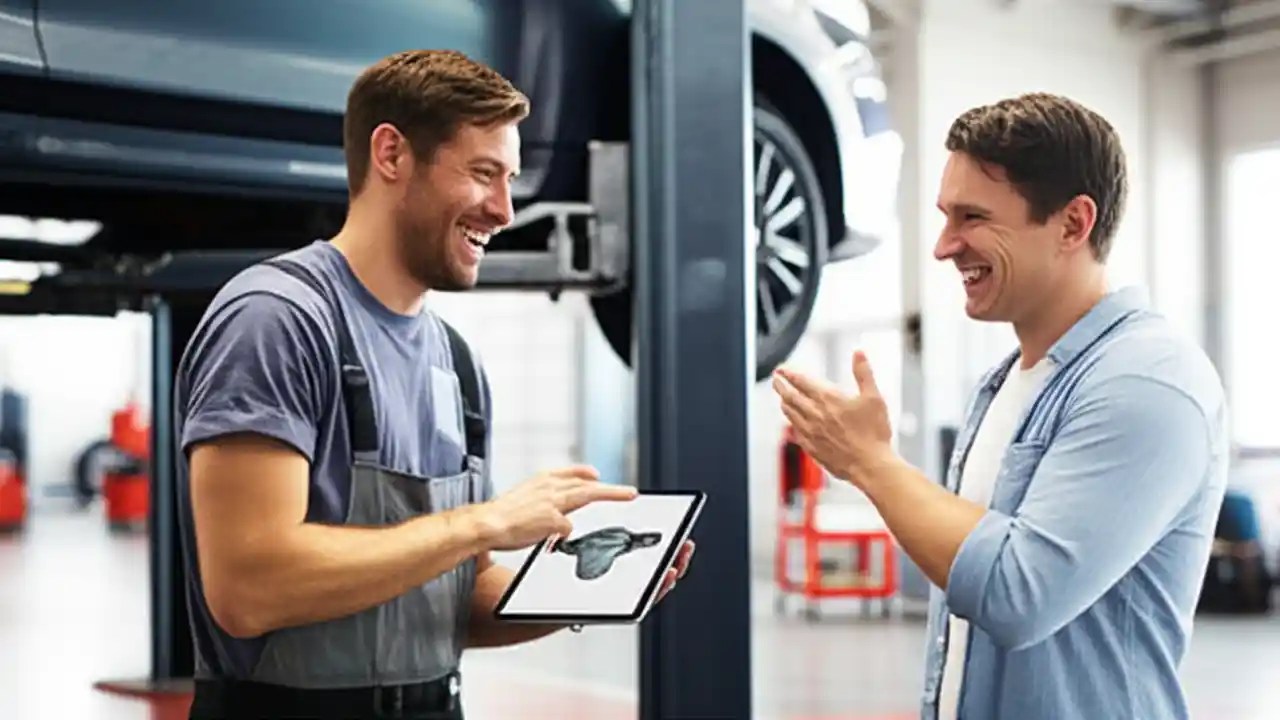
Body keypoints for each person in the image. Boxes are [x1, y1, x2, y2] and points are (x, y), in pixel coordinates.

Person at [174, 49, 694, 720]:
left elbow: (451, 600)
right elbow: (248, 590)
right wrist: (484, 521)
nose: (505, 210)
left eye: (510, 179)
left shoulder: (457, 366)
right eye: (483, 174)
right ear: (390, 154)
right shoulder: (277, 322)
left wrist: (591, 591)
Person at [772, 92, 1228, 720]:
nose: (943, 246)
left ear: (1073, 223)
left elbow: (1019, 594)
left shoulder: (1148, 381)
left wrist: (870, 464)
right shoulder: (1003, 383)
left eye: (972, 218)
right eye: (944, 216)